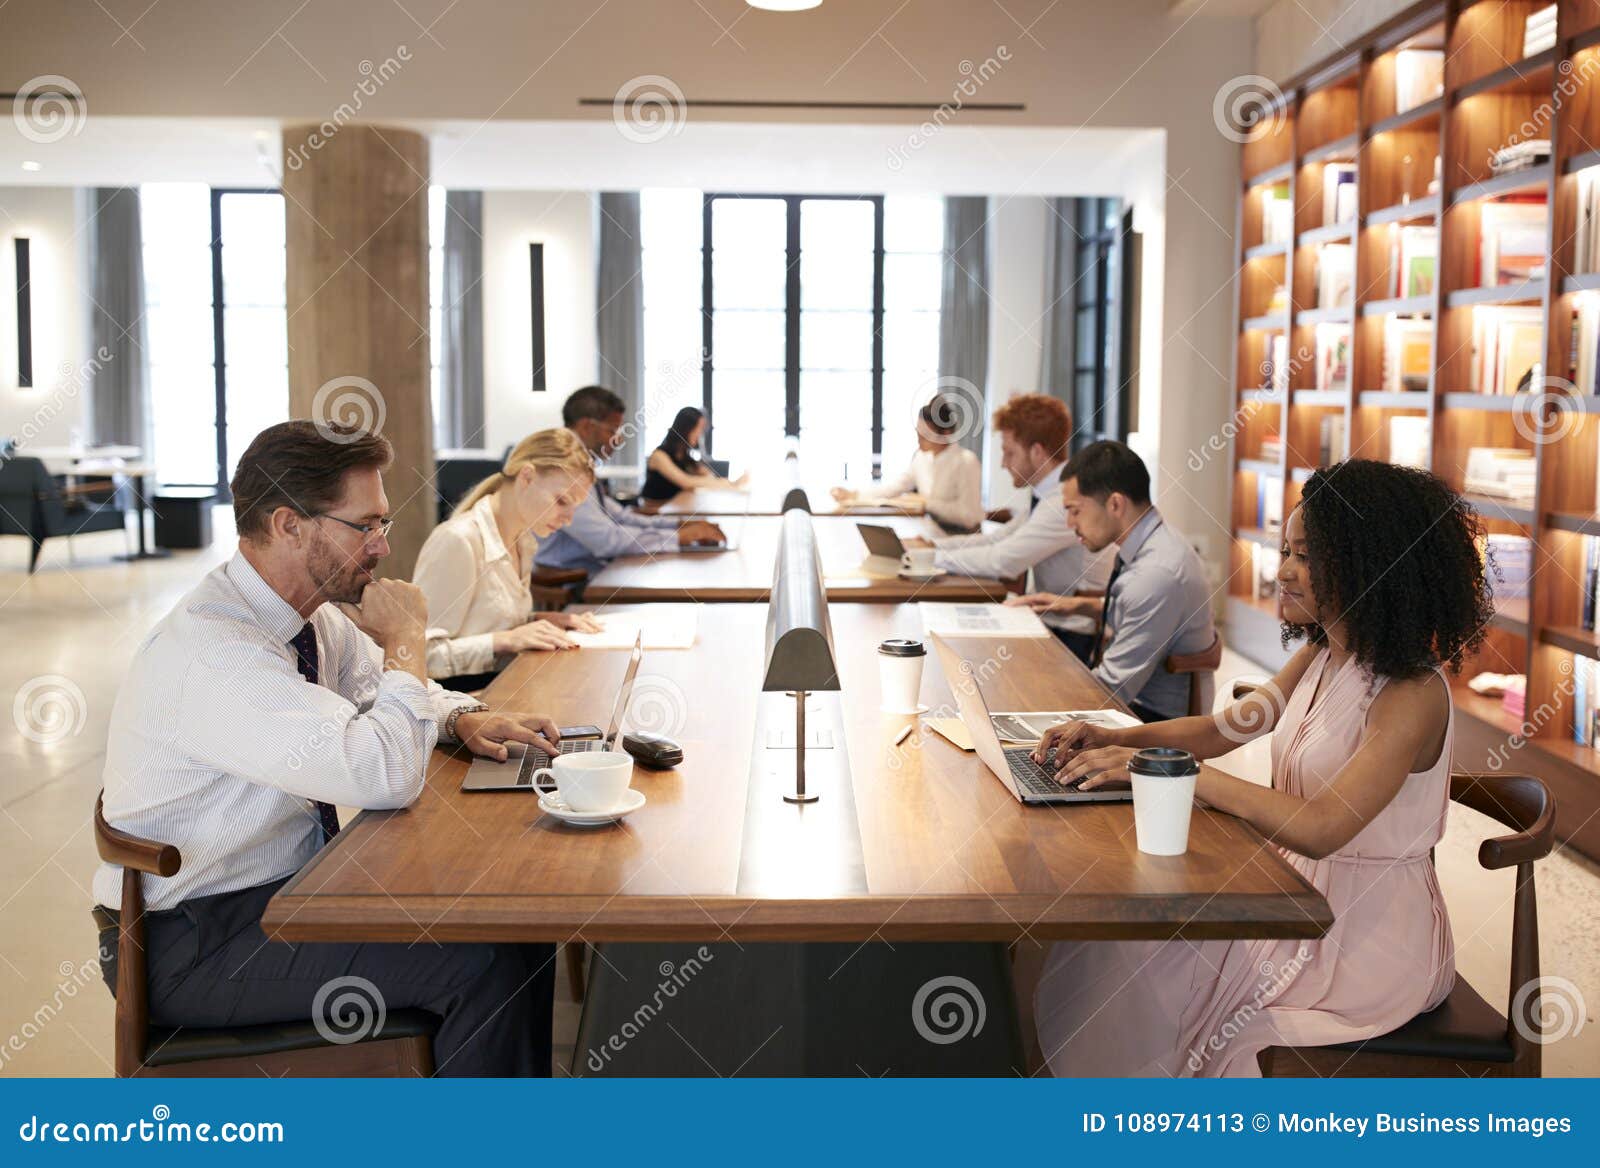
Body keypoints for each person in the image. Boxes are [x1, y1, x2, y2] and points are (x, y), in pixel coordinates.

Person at [93, 420, 563, 1076]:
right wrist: (407, 639)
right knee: (483, 963)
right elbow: (384, 773)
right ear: (290, 525)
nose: (382, 545)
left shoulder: (309, 618)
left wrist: (462, 718)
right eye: (364, 526)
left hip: (283, 893)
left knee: (516, 929)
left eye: (383, 523)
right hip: (194, 941)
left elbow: (383, 690)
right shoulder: (218, 652)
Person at [1030, 460, 1486, 1077]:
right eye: (1285, 550)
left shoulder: (1411, 694)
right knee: (1119, 950)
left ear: (1371, 563)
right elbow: (1223, 730)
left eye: (1307, 556)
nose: (1286, 570)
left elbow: (1324, 826)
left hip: (1366, 939)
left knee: (1182, 999)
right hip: (1292, 897)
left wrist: (1177, 775)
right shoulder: (1323, 655)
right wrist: (1116, 734)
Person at [901, 393, 1113, 659]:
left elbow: (1003, 561)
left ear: (1037, 452)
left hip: (1071, 636)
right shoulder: (1048, 494)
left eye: (1009, 452)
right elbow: (996, 539)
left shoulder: (1061, 502)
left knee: (960, 655)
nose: (1003, 463)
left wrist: (928, 557)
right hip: (1050, 621)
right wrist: (930, 546)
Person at [1014, 440, 1213, 719]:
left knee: (1017, 687)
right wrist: (1076, 606)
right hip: (1137, 705)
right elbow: (1135, 609)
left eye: (1075, 510)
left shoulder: (1156, 575)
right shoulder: (1155, 544)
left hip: (1150, 724)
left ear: (1115, 504)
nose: (1070, 524)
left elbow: (1107, 693)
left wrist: (1027, 694)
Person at [414, 428, 602, 689]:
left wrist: (535, 622)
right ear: (526, 477)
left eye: (574, 508)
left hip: (508, 687)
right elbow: (419, 657)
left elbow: (484, 622)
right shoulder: (458, 540)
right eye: (561, 501)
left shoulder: (523, 539)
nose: (568, 519)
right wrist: (506, 640)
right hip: (465, 706)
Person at [535, 386, 726, 575]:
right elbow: (607, 541)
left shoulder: (581, 468)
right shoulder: (563, 473)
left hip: (597, 567)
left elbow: (621, 517)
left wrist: (679, 525)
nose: (618, 440)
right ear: (587, 427)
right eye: (612, 431)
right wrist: (678, 537)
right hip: (576, 580)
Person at [830, 396, 983, 531]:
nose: (919, 438)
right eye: (918, 432)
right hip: (931, 531)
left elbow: (969, 516)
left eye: (925, 434)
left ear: (946, 433)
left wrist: (926, 503)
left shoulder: (966, 461)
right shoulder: (921, 458)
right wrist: (854, 495)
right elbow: (894, 488)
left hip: (960, 536)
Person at [638, 405, 747, 504]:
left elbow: (708, 476)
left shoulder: (684, 457)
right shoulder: (659, 456)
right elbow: (686, 482)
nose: (700, 434)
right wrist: (719, 483)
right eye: (698, 429)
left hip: (675, 507)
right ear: (686, 428)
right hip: (654, 510)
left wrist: (730, 484)